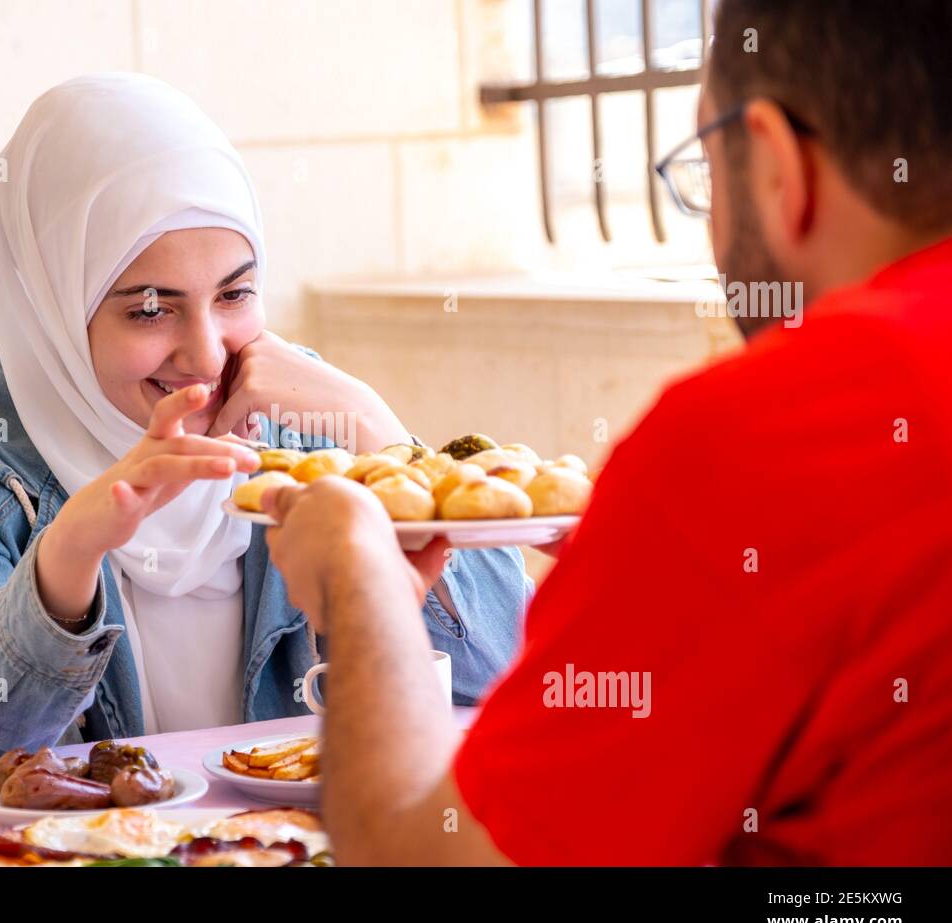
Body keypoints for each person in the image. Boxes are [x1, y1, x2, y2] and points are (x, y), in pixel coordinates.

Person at [261, 0, 952, 864]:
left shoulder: (763, 431)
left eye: (705, 168)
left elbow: (437, 855)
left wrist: (357, 579)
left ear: (776, 164)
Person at [0, 73, 531, 763]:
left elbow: (501, 669)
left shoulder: (303, 412)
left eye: (235, 293)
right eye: (151, 309)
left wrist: (376, 426)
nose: (208, 354)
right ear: (51, 310)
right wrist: (71, 549)